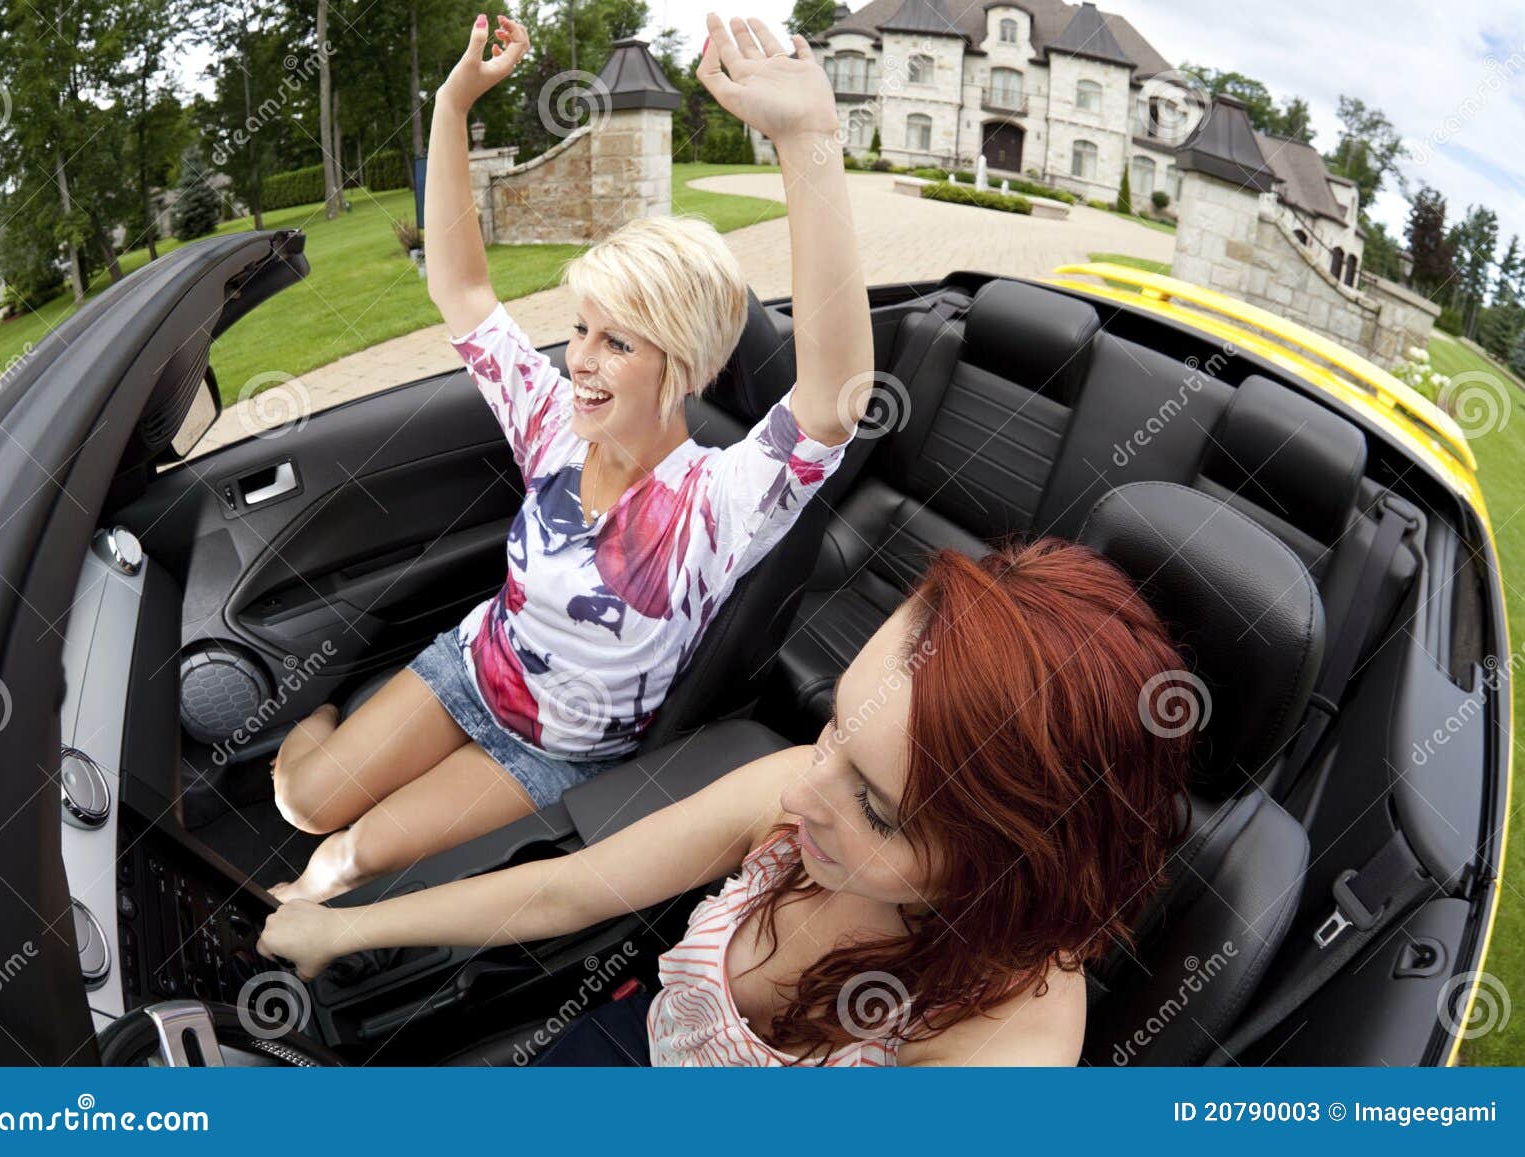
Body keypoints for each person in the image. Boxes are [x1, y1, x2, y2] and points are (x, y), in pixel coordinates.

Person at [269, 13, 874, 903]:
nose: (580, 359)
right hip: (472, 664)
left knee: (344, 860)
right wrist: (452, 102)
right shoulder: (555, 421)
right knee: (298, 799)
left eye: (619, 343)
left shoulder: (718, 501)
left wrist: (810, 140)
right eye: (580, 327)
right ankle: (319, 719)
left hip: (548, 748)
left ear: (686, 363)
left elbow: (832, 399)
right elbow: (462, 289)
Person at [257, 539, 1195, 1066]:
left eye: (877, 810)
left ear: (1009, 865)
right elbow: (569, 890)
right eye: (836, 731)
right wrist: (340, 929)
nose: (801, 791)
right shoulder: (802, 795)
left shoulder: (1004, 1055)